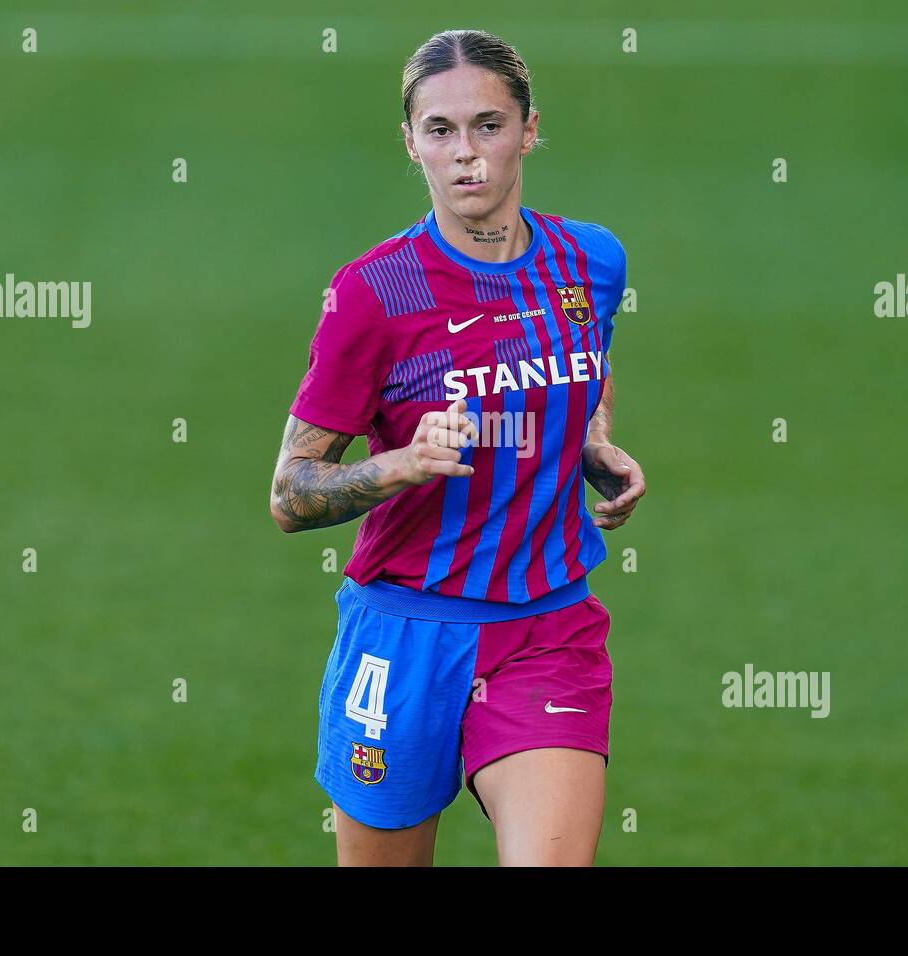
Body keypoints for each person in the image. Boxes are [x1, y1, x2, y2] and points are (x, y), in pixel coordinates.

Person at [271, 29, 645, 866]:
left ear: (530, 129)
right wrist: (401, 464)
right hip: (404, 637)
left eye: (489, 125)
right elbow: (291, 495)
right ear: (411, 143)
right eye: (440, 131)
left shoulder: (590, 261)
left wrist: (592, 446)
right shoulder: (375, 293)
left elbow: (585, 366)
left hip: (548, 629)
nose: (466, 155)